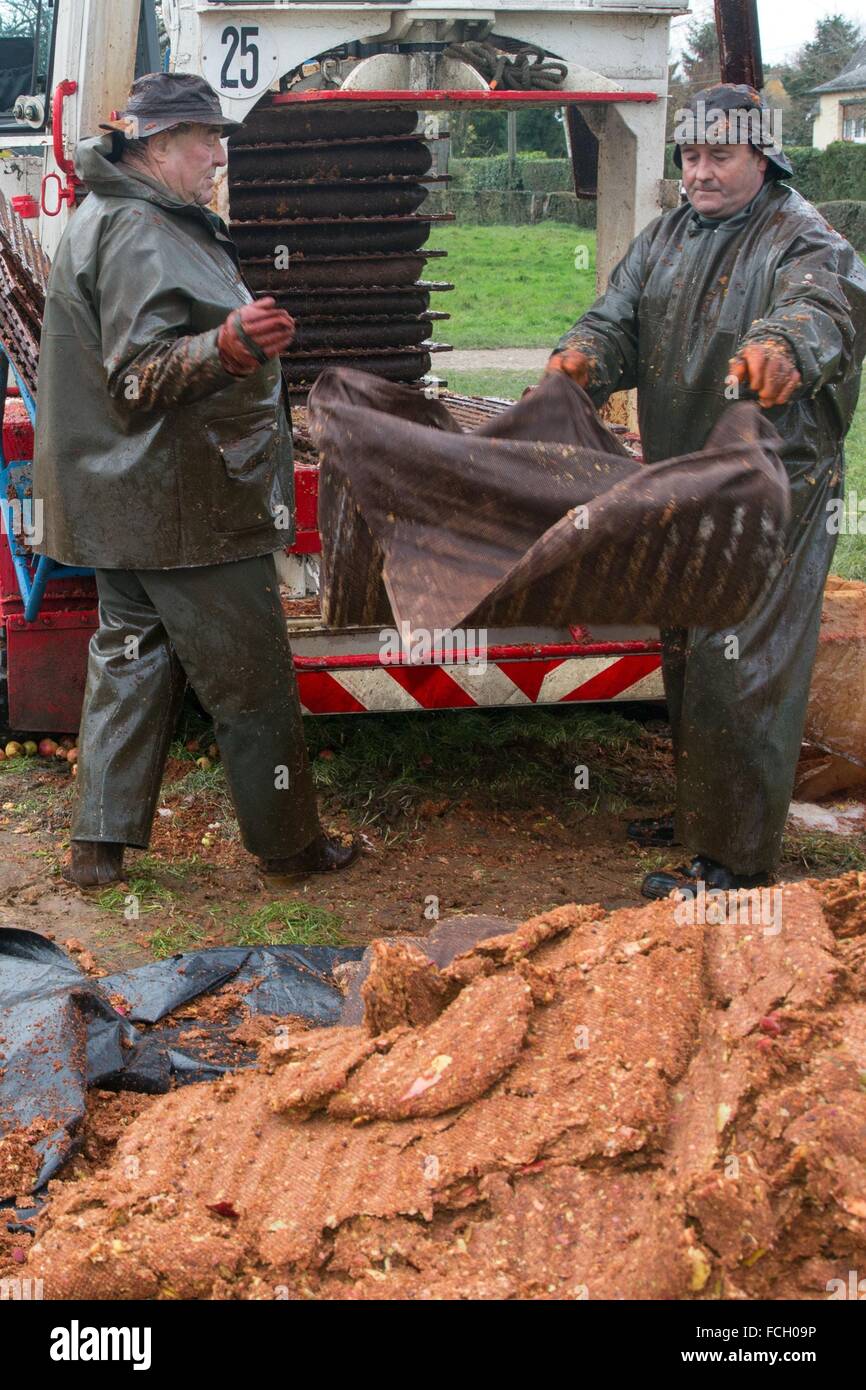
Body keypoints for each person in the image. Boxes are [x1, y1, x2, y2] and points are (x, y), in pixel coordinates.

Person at [33, 73, 359, 887]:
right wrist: (233, 346)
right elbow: (138, 377)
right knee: (249, 680)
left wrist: (229, 337)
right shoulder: (141, 227)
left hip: (124, 500)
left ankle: (97, 851)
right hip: (186, 504)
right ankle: (290, 849)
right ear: (156, 144)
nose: (219, 155)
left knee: (131, 660)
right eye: (206, 140)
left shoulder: (109, 212)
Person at [548, 84, 866, 899]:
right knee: (689, 654)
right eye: (689, 156)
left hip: (772, 488)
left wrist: (783, 345)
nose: (699, 172)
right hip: (685, 482)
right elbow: (617, 318)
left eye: (719, 155)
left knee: (744, 664)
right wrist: (583, 357)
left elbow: (824, 307)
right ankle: (705, 819)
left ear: (763, 157)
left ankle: (736, 863)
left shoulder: (804, 239)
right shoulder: (666, 237)